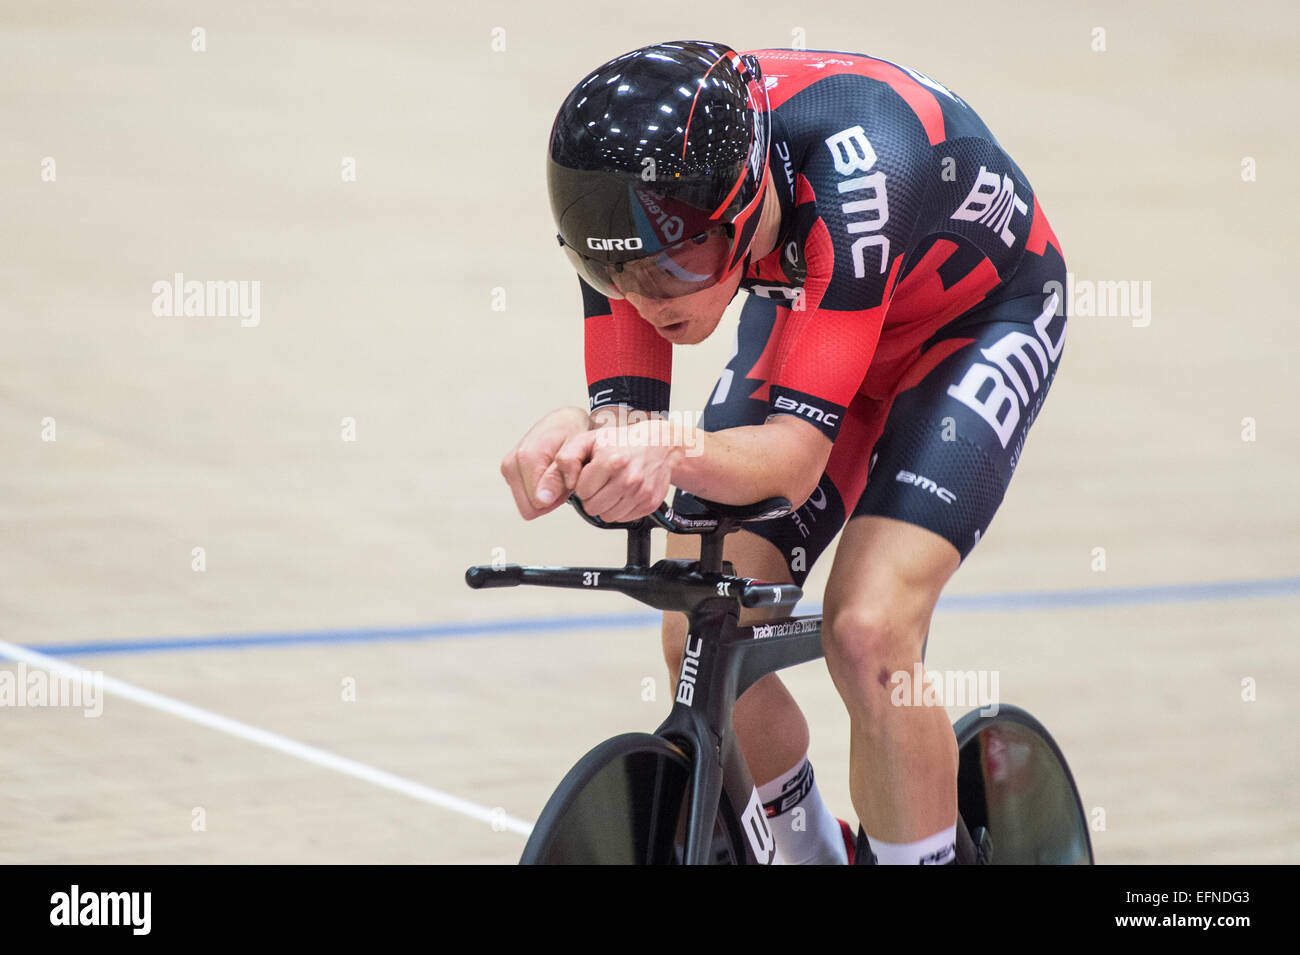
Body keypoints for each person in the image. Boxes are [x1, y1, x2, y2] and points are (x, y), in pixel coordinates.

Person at [501, 40, 1068, 865]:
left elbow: (793, 461)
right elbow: (632, 440)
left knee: (868, 629)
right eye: (614, 275)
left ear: (747, 201)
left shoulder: (860, 170)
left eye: (678, 267)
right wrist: (585, 446)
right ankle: (809, 853)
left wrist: (664, 447)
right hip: (826, 314)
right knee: (699, 620)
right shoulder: (625, 212)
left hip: (972, 322)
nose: (648, 300)